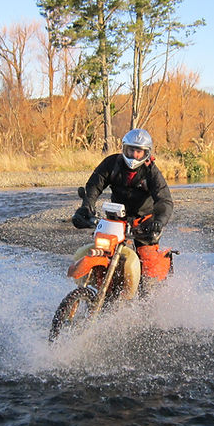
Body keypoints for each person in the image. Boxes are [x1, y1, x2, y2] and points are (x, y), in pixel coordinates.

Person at [72, 128, 174, 300]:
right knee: (103, 249)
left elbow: (165, 200)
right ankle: (101, 288)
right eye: (130, 150)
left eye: (138, 151)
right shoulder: (112, 163)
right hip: (116, 219)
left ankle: (147, 304)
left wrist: (159, 221)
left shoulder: (151, 173)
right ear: (124, 148)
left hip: (144, 222)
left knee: (148, 263)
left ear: (146, 153)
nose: (133, 155)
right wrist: (86, 207)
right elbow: (94, 186)